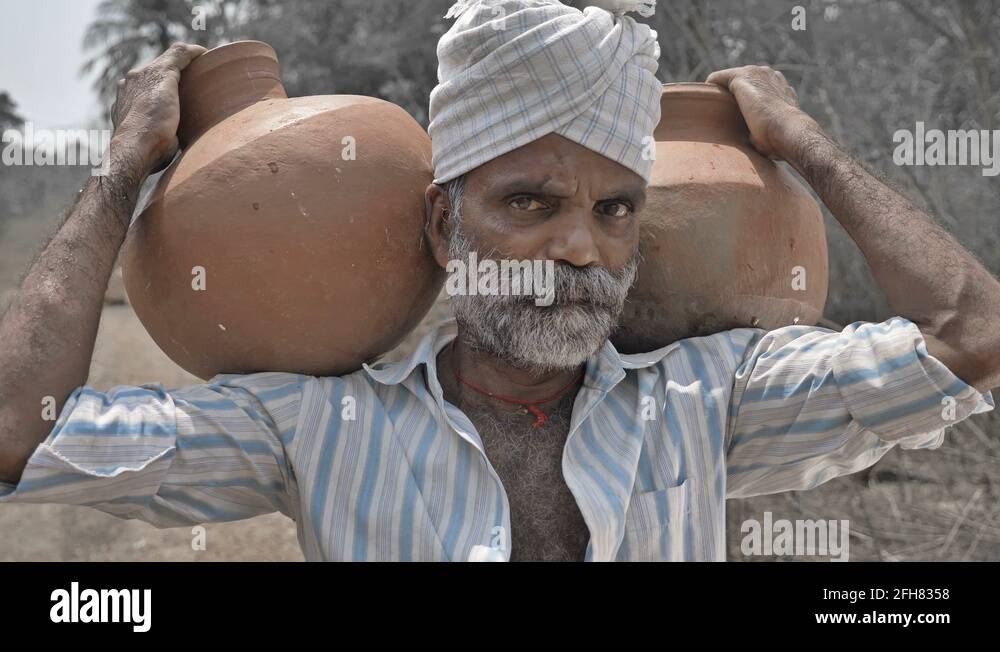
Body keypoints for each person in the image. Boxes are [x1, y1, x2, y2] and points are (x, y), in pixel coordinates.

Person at [0, 0, 996, 562]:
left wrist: (807, 148)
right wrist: (124, 166)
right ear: (443, 223)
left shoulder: (709, 403)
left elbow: (972, 332)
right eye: (528, 203)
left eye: (613, 211)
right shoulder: (317, 429)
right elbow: (17, 432)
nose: (580, 250)